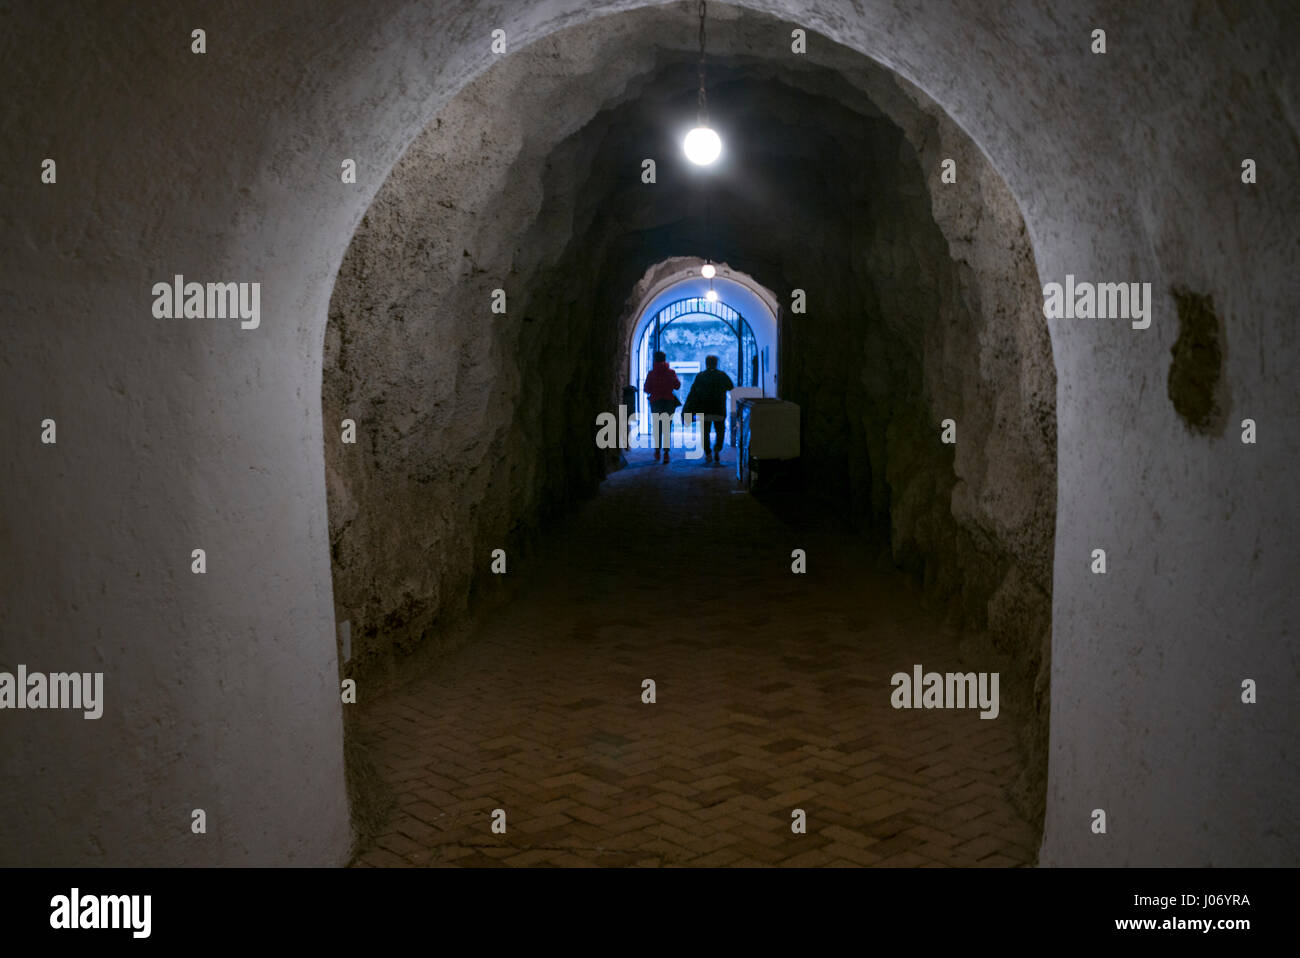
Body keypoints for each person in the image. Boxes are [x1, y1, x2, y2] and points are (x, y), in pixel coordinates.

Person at [682, 354, 734, 464]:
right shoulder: (722, 375)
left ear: (706, 363)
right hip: (719, 409)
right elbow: (731, 386)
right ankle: (717, 449)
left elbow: (693, 392)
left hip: (704, 409)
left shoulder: (700, 376)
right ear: (716, 363)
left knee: (705, 432)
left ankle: (708, 453)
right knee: (720, 431)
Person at [643, 349, 681, 463]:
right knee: (667, 428)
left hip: (655, 402)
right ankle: (666, 453)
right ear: (665, 359)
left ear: (655, 359)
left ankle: (657, 451)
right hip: (668, 402)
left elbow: (646, 389)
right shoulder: (671, 372)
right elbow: (677, 386)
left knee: (657, 427)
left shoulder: (651, 373)